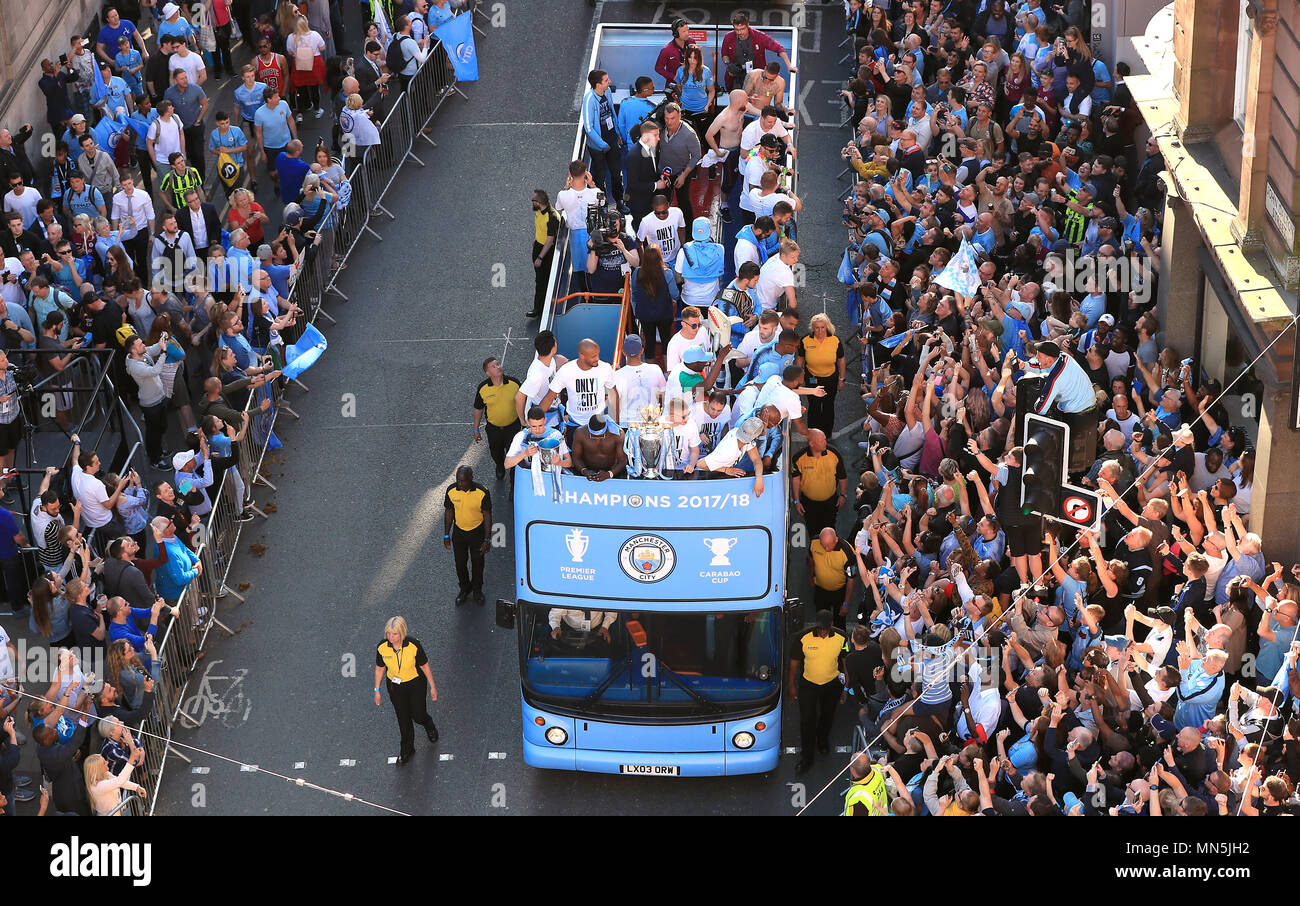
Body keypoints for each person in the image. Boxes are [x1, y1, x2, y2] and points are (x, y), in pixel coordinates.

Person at [374, 615, 438, 765]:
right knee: (403, 719)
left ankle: (428, 723)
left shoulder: (414, 645)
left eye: (394, 634)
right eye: (388, 633)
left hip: (415, 683)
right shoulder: (382, 647)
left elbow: (425, 666)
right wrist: (377, 689)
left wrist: (433, 687)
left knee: (418, 714)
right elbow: (379, 668)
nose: (391, 637)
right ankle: (407, 749)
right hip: (395, 687)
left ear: (402, 632)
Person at [788, 609, 845, 774]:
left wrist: (846, 689)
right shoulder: (803, 638)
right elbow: (794, 663)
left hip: (831, 685)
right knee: (807, 720)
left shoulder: (842, 638)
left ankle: (822, 741)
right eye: (820, 628)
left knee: (827, 716)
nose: (822, 632)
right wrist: (791, 686)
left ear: (832, 625)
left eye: (825, 629)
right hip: (808, 685)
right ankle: (807, 757)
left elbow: (845, 661)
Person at [443, 465, 490, 606]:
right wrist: (446, 534)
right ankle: (464, 588)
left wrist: (487, 539)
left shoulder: (482, 492)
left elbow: (487, 516)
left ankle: (477, 590)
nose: (460, 484)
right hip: (459, 533)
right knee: (460, 564)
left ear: (471, 478)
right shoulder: (451, 490)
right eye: (458, 480)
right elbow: (449, 512)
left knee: (477, 564)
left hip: (477, 532)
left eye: (463, 481)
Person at [580, 70, 623, 211]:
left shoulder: (608, 92)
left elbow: (612, 113)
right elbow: (589, 128)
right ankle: (602, 204)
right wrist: (602, 144)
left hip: (611, 140)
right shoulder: (589, 101)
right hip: (598, 146)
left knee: (617, 173)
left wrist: (617, 133)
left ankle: (620, 200)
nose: (609, 81)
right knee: (600, 176)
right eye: (606, 80)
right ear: (598, 85)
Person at [472, 356, 521, 481]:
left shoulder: (514, 383)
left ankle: (513, 483)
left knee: (514, 454)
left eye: (498, 364)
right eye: (493, 366)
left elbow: (523, 402)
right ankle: (500, 465)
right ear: (488, 373)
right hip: (494, 429)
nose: (498, 367)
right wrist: (476, 429)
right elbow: (478, 409)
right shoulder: (483, 388)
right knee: (496, 453)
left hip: (513, 427)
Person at [793, 429, 848, 537]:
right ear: (811, 444)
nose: (825, 443)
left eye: (824, 439)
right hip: (809, 504)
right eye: (821, 441)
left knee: (830, 531)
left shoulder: (834, 454)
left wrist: (843, 495)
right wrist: (797, 501)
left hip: (830, 503)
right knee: (813, 531)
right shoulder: (798, 458)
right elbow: (795, 479)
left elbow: (842, 476)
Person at [528, 189, 560, 318]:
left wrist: (540, 257)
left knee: (542, 280)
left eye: (533, 200)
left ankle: (539, 309)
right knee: (540, 279)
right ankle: (542, 306)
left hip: (545, 252)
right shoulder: (539, 212)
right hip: (538, 246)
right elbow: (541, 228)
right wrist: (536, 238)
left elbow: (550, 240)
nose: (532, 202)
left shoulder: (552, 217)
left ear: (539, 202)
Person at [571, 413, 627, 480]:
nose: (597, 438)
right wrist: (584, 471)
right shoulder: (580, 433)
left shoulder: (617, 434)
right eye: (593, 436)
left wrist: (609, 474)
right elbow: (576, 457)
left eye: (600, 435)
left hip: (613, 473)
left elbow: (623, 460)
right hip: (587, 474)